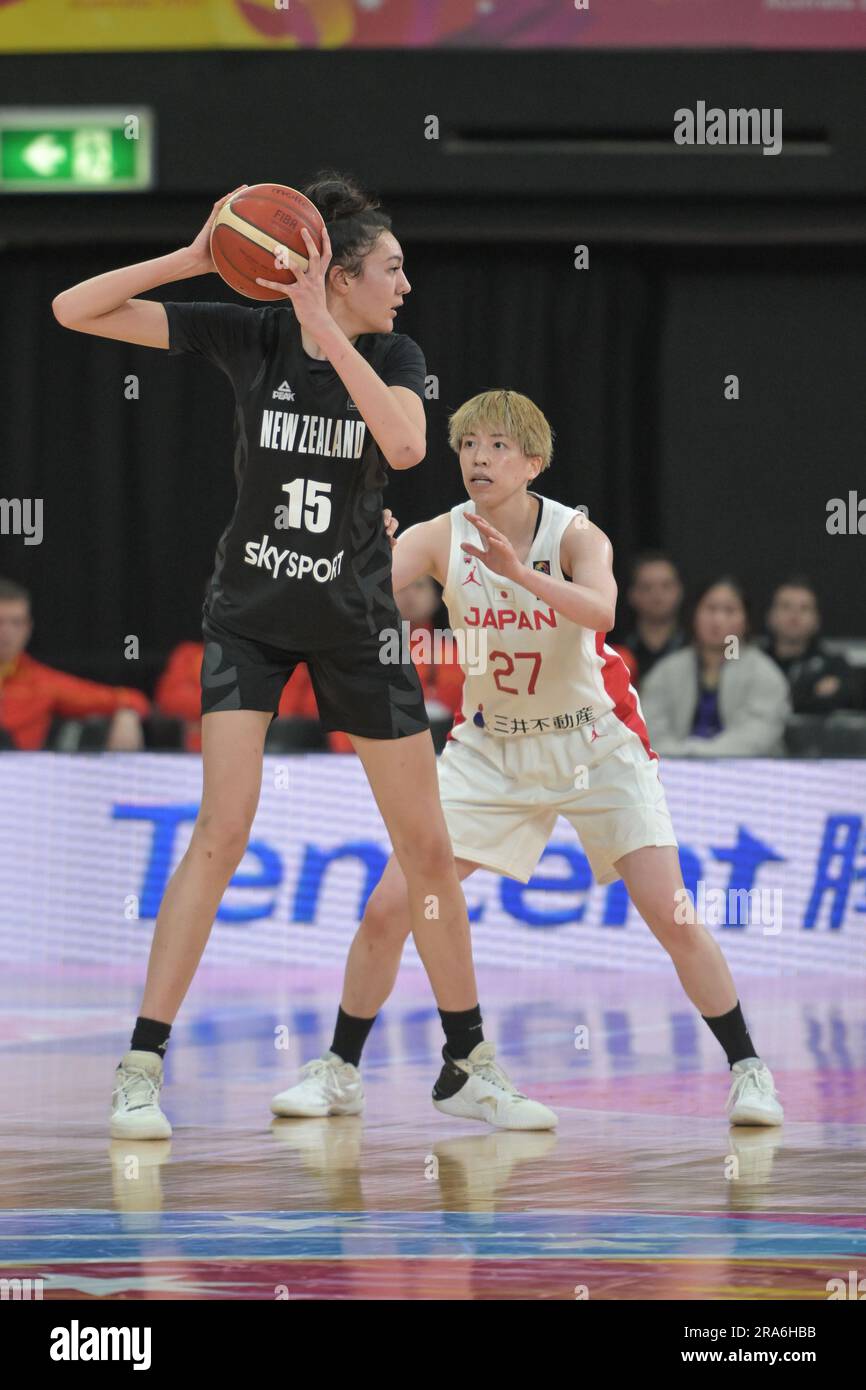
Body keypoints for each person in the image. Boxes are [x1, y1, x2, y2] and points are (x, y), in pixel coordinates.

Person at [53, 171, 551, 1139]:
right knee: (221, 831)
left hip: (354, 622)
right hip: (248, 614)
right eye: (391, 269)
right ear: (341, 271)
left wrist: (327, 327)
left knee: (429, 853)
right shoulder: (251, 333)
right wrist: (199, 259)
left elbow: (406, 448)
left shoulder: (394, 353)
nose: (405, 285)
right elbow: (76, 309)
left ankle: (468, 1060)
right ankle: (140, 1066)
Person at [272, 390, 783, 1128]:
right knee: (389, 906)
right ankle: (340, 1070)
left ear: (533, 462)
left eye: (497, 446)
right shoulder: (442, 533)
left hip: (594, 741)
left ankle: (749, 1069)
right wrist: (362, 546)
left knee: (673, 916)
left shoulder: (577, 535)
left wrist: (521, 573)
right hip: (492, 746)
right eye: (468, 445)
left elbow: (604, 611)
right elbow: (356, 595)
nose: (479, 458)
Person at [639, 577, 791, 757]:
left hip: (748, 775)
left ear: (746, 620)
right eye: (710, 609)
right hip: (673, 772)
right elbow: (649, 729)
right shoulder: (667, 671)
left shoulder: (764, 674)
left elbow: (757, 736)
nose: (718, 619)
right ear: (694, 614)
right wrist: (680, 759)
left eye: (729, 610)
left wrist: (697, 754)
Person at [0, 578, 148, 750]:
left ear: (28, 628)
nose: (7, 632)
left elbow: (129, 698)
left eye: (16, 623)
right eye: (0, 622)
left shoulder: (44, 682)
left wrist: (127, 714)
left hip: (18, 773)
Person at [760, 577, 861, 714]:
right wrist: (809, 691)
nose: (794, 615)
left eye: (804, 608)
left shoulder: (835, 666)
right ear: (770, 617)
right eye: (786, 606)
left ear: (817, 620)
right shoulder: (754, 663)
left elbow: (846, 699)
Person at [622, 552, 686, 681]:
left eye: (666, 586)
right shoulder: (616, 650)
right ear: (632, 594)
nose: (657, 595)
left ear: (680, 590)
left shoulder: (695, 649)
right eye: (647, 587)